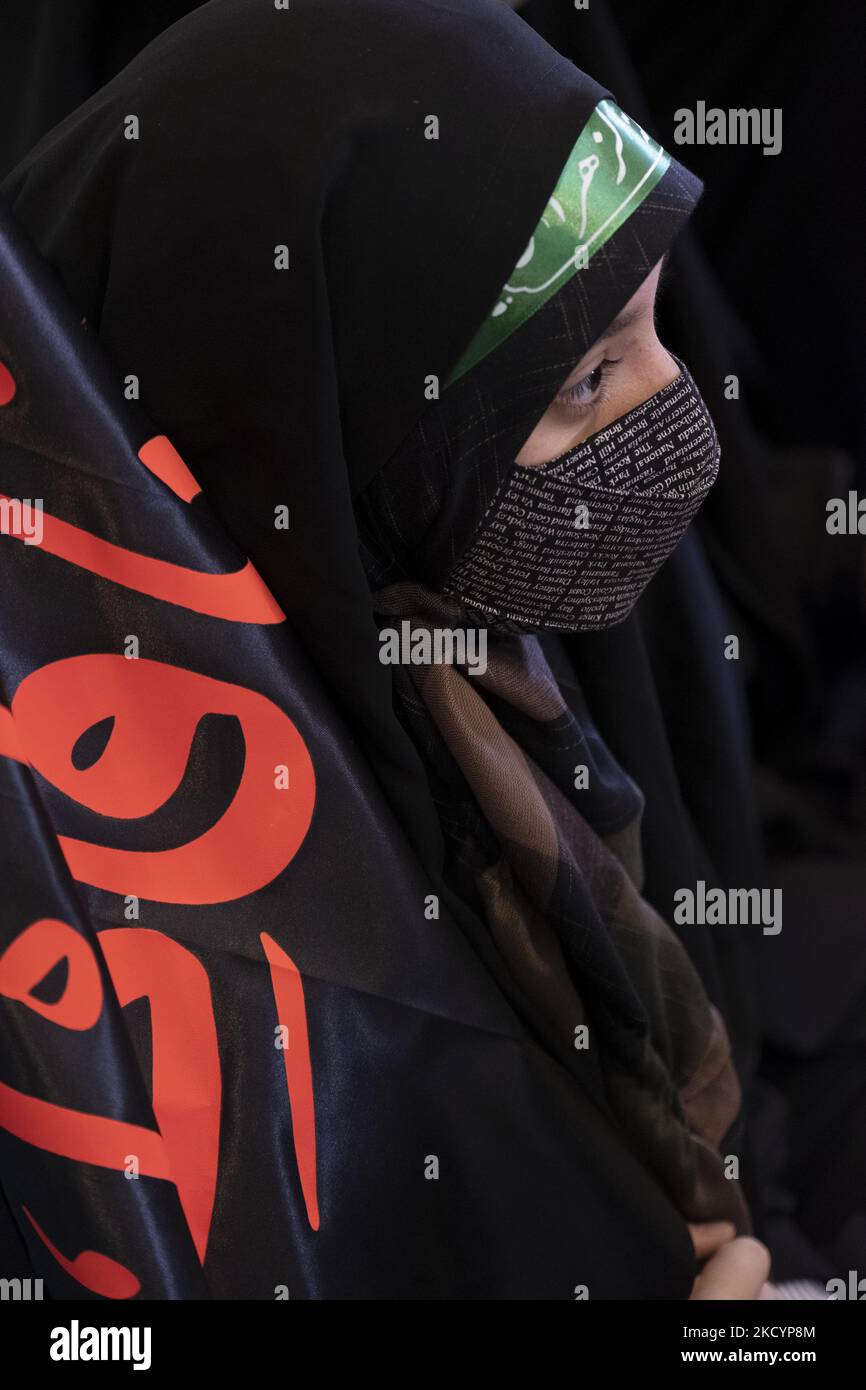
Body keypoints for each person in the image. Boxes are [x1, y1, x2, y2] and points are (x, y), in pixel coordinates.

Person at [0, 0, 774, 1298]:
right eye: (582, 382)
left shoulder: (459, 653)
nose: (670, 414)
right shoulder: (137, 879)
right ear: (330, 420)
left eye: (654, 325)